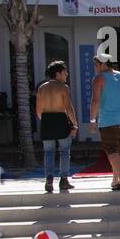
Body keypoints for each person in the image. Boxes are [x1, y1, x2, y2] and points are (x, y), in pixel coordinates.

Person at [89, 51, 120, 191]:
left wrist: (92, 120)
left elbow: (95, 101)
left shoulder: (99, 78)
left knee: (111, 150)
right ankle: (115, 180)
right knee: (119, 151)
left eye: (96, 64)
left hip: (109, 120)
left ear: (102, 64)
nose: (95, 66)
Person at [35, 60, 78, 193]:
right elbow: (68, 107)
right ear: (58, 73)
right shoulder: (63, 87)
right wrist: (74, 124)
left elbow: (38, 109)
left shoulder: (42, 88)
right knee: (64, 151)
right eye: (65, 72)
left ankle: (49, 180)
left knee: (48, 151)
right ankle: (64, 179)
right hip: (60, 118)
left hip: (47, 119)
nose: (67, 74)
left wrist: (45, 120)